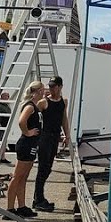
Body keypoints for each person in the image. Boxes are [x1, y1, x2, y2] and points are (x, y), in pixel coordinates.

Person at [32, 76, 72, 212]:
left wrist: (67, 135)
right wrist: (31, 132)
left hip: (55, 137)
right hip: (45, 137)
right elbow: (31, 115)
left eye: (53, 86)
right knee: (43, 168)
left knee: (48, 168)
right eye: (50, 86)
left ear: (60, 87)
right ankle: (39, 199)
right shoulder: (44, 102)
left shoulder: (63, 102)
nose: (51, 89)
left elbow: (64, 119)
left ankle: (38, 197)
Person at [6, 81, 45, 219]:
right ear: (36, 91)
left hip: (33, 145)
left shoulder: (37, 106)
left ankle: (21, 206)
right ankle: (9, 208)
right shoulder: (29, 106)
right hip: (26, 144)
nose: (43, 92)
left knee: (24, 177)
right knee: (17, 176)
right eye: (42, 90)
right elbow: (21, 121)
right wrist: (27, 132)